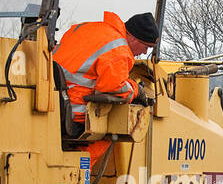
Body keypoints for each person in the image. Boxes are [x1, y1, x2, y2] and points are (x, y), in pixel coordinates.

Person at [54, 11, 158, 167]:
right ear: (134, 37)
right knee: (110, 132)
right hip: (75, 110)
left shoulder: (87, 29)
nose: (144, 52)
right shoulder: (119, 49)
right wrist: (136, 90)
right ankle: (78, 176)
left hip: (55, 99)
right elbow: (113, 86)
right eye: (146, 47)